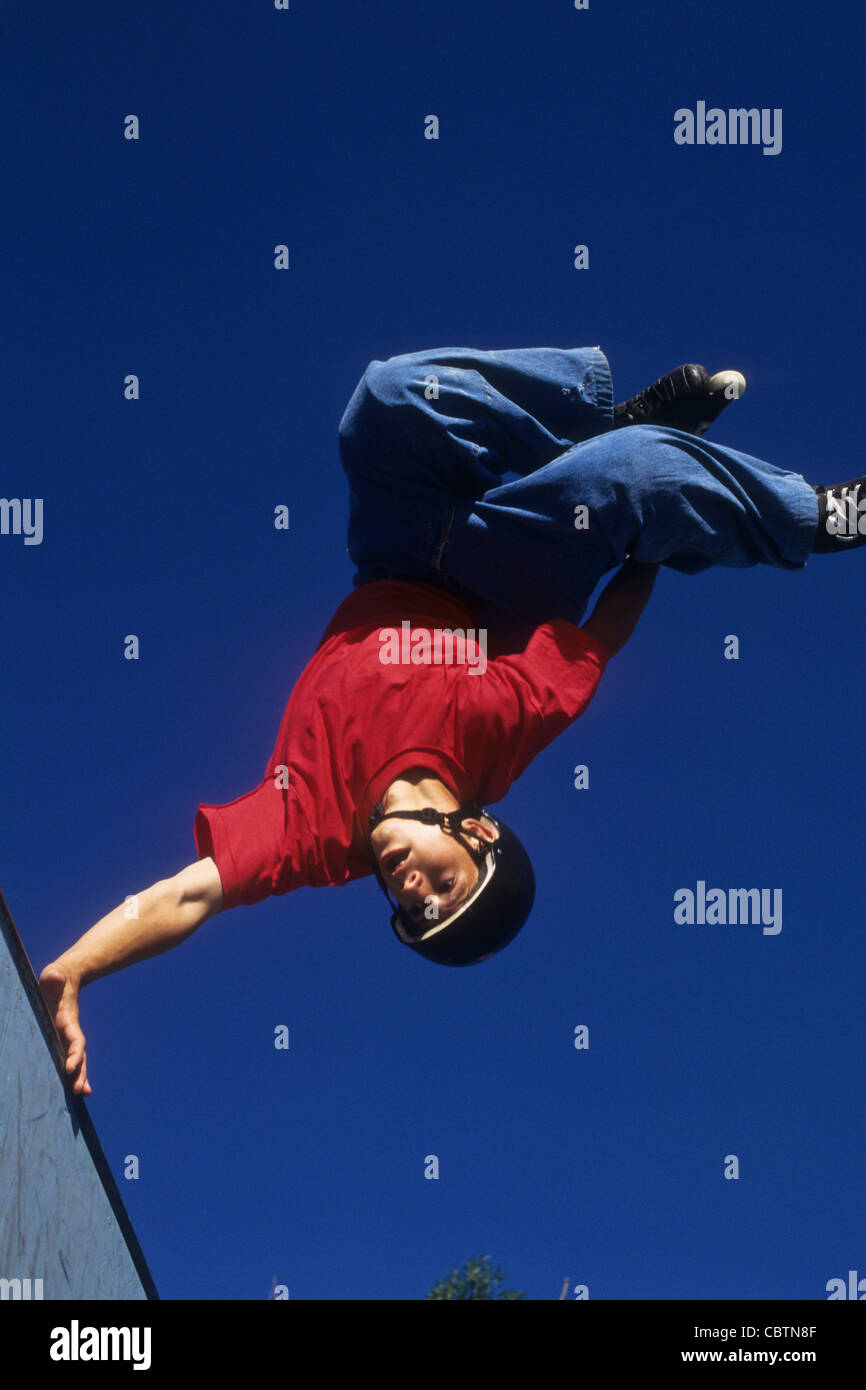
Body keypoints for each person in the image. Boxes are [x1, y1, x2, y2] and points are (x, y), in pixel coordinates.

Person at [38, 345, 865, 1095]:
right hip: (505, 572)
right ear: (482, 834)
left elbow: (187, 895)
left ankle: (608, 452)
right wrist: (644, 544)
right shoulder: (496, 738)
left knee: (382, 404)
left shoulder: (311, 833)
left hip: (403, 550)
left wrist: (77, 969)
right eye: (443, 886)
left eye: (411, 908)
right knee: (634, 473)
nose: (409, 888)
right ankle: (809, 517)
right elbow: (597, 643)